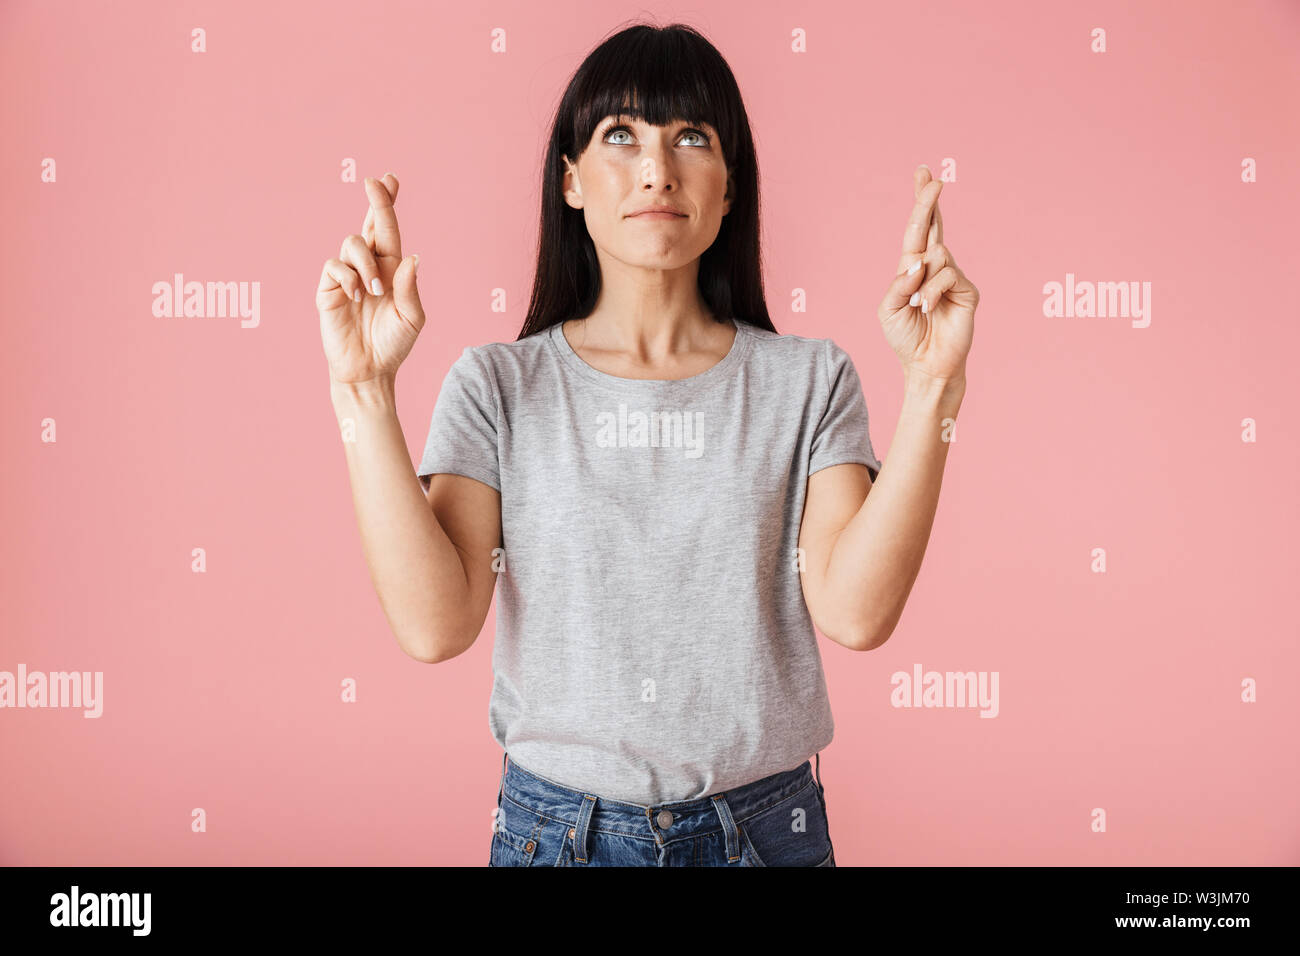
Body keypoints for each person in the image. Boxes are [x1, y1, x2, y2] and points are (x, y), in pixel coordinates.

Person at [316, 22, 978, 867]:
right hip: (558, 836)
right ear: (571, 180)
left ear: (731, 185)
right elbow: (434, 625)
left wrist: (933, 387)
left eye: (692, 138)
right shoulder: (499, 388)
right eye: (620, 135)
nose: (657, 169)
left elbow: (857, 612)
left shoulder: (809, 381)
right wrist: (363, 390)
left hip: (767, 835)